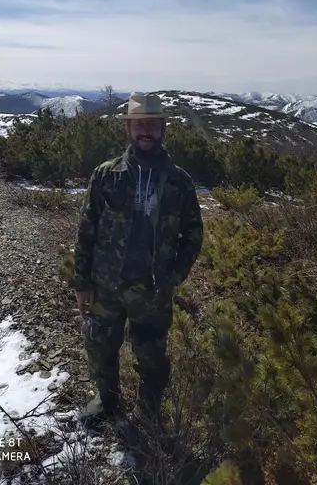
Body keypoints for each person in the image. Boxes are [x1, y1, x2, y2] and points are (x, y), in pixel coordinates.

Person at [73, 92, 203, 428]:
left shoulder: (179, 182)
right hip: (106, 284)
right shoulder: (106, 175)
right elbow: (87, 228)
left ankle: (148, 410)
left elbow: (193, 233)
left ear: (162, 129)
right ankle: (106, 400)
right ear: (128, 129)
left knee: (152, 352)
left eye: (152, 124)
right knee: (100, 344)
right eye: (139, 124)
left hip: (153, 288)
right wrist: (82, 281)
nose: (146, 131)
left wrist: (175, 275)